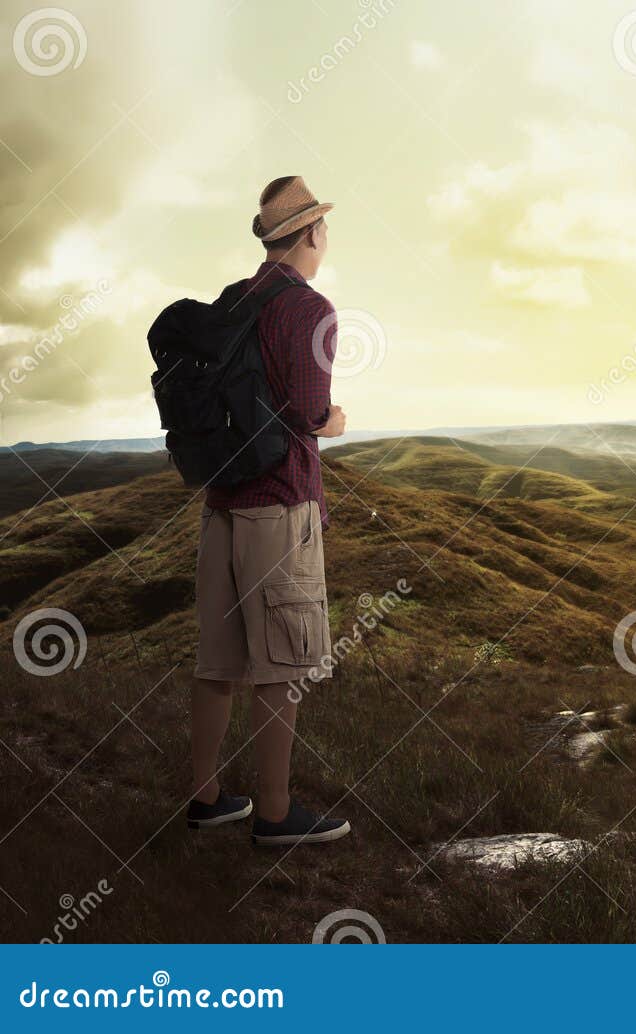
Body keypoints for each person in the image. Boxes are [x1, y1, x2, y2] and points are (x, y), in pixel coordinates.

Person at [185, 176, 352, 846]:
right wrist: (334, 422)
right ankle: (277, 815)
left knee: (218, 661)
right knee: (282, 665)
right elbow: (311, 411)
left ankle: (207, 799)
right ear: (312, 232)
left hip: (221, 504)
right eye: (325, 227)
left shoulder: (230, 301)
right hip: (280, 505)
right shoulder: (310, 311)